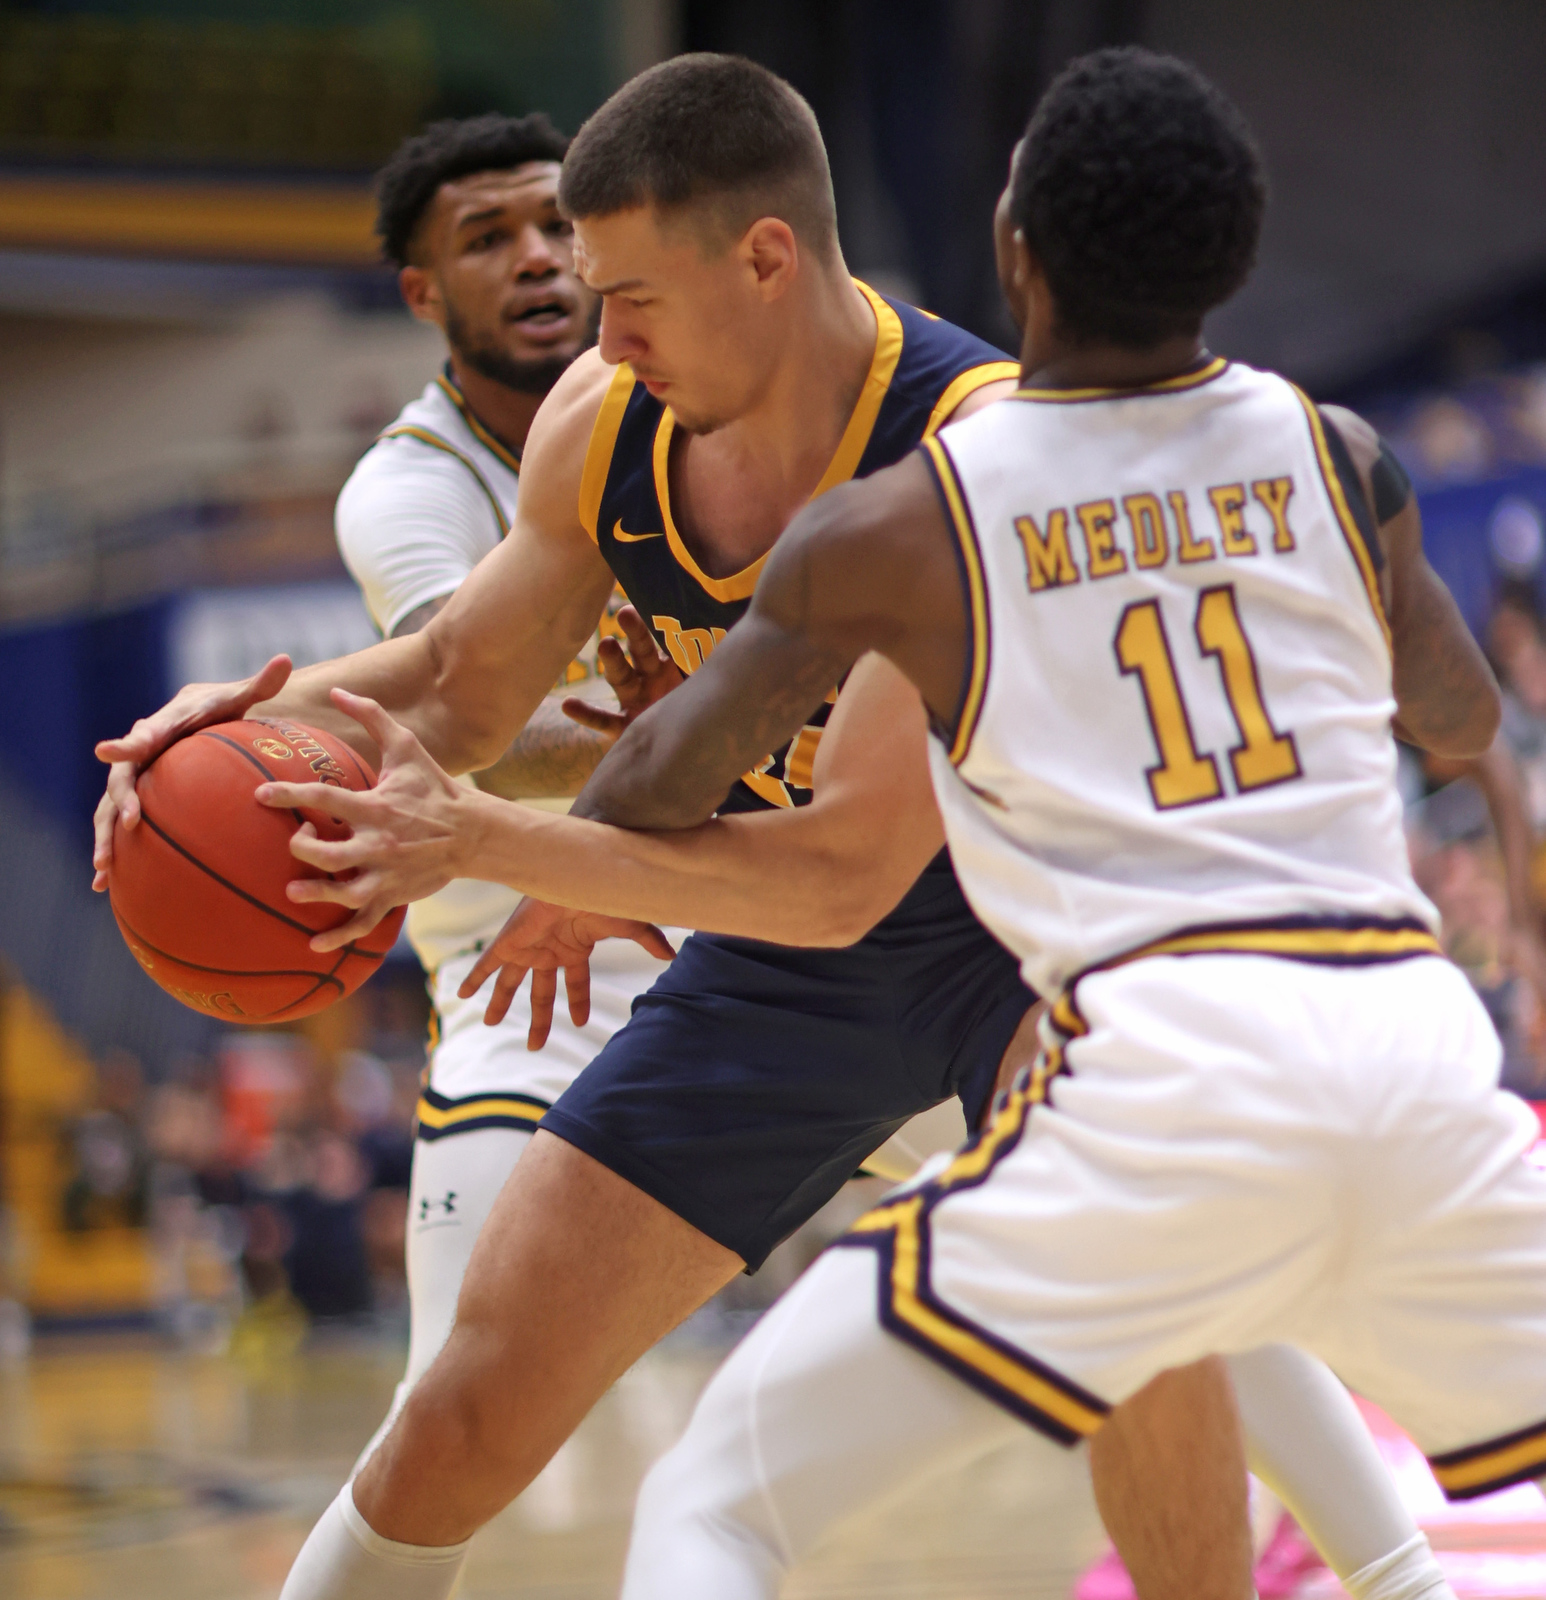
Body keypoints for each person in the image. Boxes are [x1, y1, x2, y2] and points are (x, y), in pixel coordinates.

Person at [93, 55, 1445, 1600]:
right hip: (779, 961)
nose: (596, 336)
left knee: (1139, 1316)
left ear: (764, 259)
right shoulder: (610, 415)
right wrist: (239, 715)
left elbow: (839, 870)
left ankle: (1388, 1573)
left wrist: (508, 850)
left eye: (631, 297)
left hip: (1020, 944)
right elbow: (465, 680)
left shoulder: (970, 453)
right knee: (465, 1406)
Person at [449, 46, 1539, 1600]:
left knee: (711, 1508)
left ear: (1015, 254)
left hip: (1154, 1089)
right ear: (1227, 258)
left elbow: (660, 788)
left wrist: (571, 792)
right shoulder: (1341, 457)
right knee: (1387, 1527)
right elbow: (1457, 724)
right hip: (1415, 1066)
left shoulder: (913, 510)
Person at [330, 110, 685, 1468]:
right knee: (455, 1414)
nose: (537, 259)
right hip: (520, 962)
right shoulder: (405, 488)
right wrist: (703, 737)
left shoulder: (690, 393)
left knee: (1101, 1224)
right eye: (488, 238)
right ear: (422, 294)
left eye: (554, 226)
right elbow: (483, 726)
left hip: (735, 904)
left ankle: (1380, 1556)